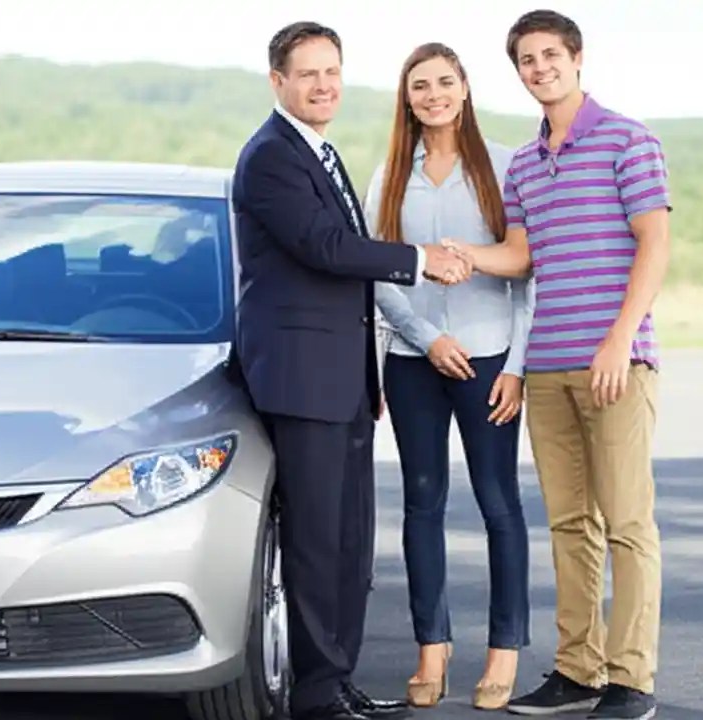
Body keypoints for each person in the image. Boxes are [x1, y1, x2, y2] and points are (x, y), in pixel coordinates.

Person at [231, 20, 470, 720]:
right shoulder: (270, 156)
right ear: (278, 81)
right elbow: (327, 246)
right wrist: (421, 259)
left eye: (332, 70)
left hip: (340, 383)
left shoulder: (321, 152)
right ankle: (315, 693)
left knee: (346, 542)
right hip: (302, 384)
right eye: (308, 73)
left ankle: (336, 682)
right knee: (313, 544)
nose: (324, 84)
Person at [443, 10, 670, 720]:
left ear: (576, 58)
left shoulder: (628, 140)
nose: (539, 68)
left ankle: (632, 680)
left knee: (628, 523)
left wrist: (619, 338)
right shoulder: (524, 163)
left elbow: (654, 246)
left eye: (550, 56)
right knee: (571, 524)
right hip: (545, 368)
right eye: (527, 61)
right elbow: (520, 255)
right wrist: (465, 257)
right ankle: (580, 672)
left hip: (615, 364)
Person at [361, 42, 534, 712]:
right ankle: (432, 649)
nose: (432, 95)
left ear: (464, 88)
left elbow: (527, 273)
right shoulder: (390, 175)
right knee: (421, 503)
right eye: (419, 86)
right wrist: (427, 339)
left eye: (443, 82)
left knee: (498, 503)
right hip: (414, 361)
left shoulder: (507, 164)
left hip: (491, 361)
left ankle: (503, 651)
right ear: (407, 99)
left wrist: (516, 366)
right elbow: (378, 269)